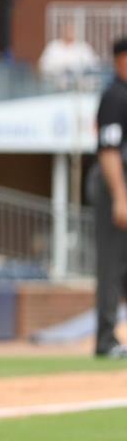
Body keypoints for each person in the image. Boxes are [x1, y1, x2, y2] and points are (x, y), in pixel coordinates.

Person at [89, 39, 127, 359]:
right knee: (111, 265)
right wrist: (120, 197)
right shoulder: (115, 95)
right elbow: (109, 151)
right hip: (113, 187)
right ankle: (105, 339)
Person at [39, 21, 101, 90]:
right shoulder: (53, 46)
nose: (69, 32)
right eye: (67, 30)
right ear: (62, 31)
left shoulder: (82, 46)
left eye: (71, 30)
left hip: (79, 86)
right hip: (55, 85)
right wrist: (61, 68)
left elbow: (92, 64)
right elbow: (43, 65)